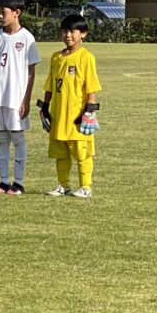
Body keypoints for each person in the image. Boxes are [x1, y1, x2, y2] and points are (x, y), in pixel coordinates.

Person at [40, 14, 102, 198]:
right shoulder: (56, 57)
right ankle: (63, 185)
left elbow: (91, 86)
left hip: (77, 115)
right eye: (65, 31)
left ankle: (86, 186)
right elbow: (50, 84)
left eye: (72, 31)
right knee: (61, 152)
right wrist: (45, 107)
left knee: (82, 152)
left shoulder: (86, 57)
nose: (68, 35)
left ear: (83, 34)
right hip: (59, 115)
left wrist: (89, 111)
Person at [0, 0, 39, 195]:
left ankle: (18, 182)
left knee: (17, 139)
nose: (0, 15)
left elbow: (31, 71)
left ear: (16, 13)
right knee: (1, 139)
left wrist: (26, 99)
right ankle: (3, 181)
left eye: (3, 12)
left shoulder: (27, 38)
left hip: (15, 97)